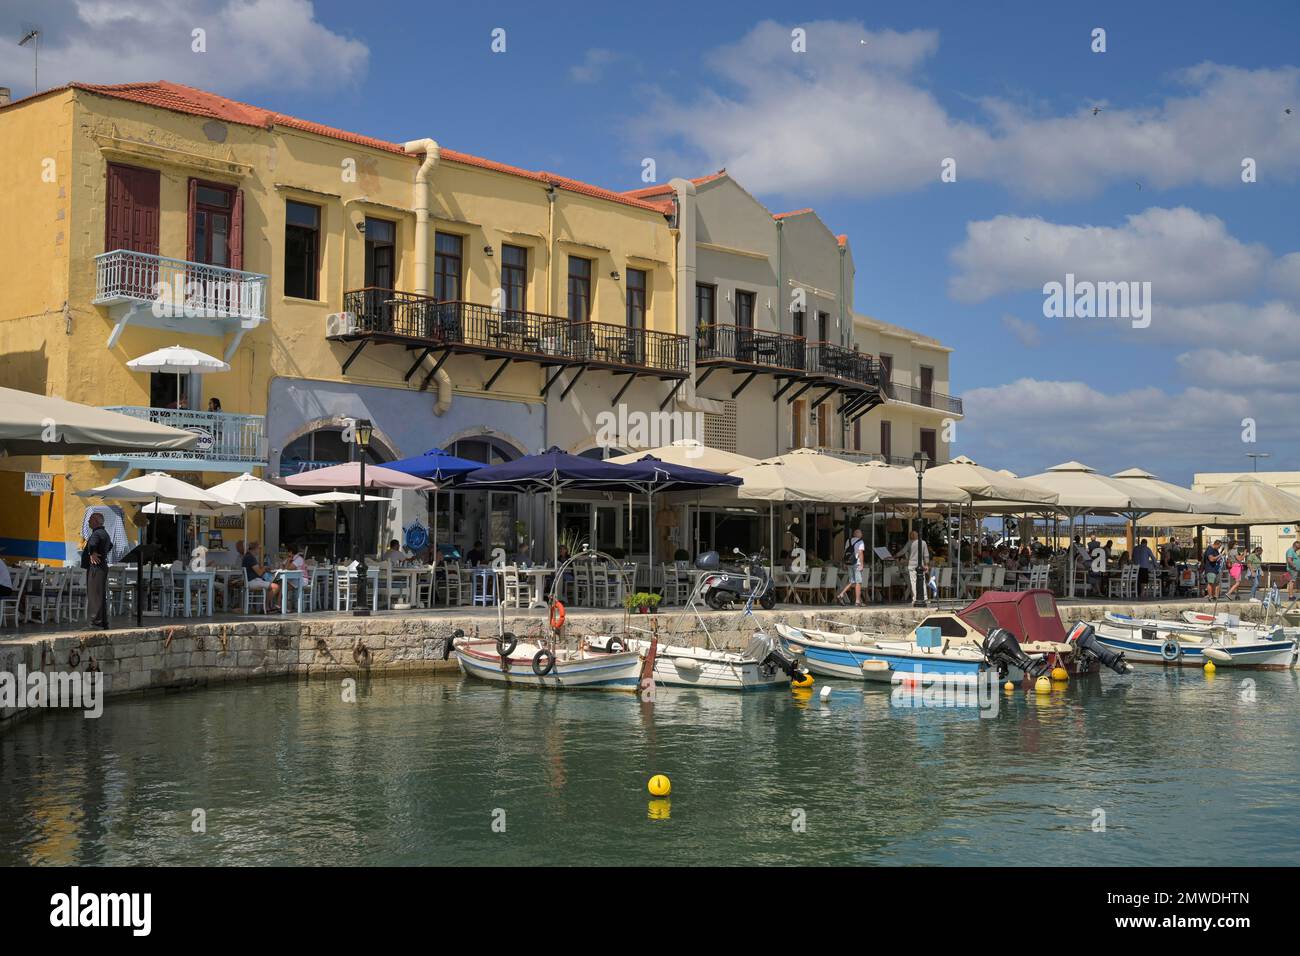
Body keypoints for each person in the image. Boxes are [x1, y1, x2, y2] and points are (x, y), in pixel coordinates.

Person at [82, 512, 113, 629]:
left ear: (96, 521)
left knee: (94, 596)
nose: (89, 521)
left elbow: (92, 544)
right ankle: (103, 622)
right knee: (100, 595)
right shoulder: (104, 533)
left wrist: (93, 552)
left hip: (95, 568)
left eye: (90, 519)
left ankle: (94, 623)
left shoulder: (96, 533)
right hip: (102, 566)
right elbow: (110, 545)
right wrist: (101, 552)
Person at [241, 542, 280, 612]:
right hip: (252, 581)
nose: (259, 551)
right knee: (276, 587)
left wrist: (263, 568)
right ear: (254, 549)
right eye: (259, 549)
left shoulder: (248, 556)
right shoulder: (250, 557)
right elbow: (259, 572)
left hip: (252, 580)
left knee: (271, 585)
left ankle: (268, 606)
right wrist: (264, 568)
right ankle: (265, 607)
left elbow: (256, 569)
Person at [896, 530, 930, 604]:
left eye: (912, 535)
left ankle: (915, 598)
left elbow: (903, 551)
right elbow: (926, 554)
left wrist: (895, 555)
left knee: (913, 582)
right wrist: (926, 564)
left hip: (912, 564)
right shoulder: (923, 542)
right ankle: (924, 597)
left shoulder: (909, 543)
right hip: (920, 564)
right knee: (922, 581)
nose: (911, 536)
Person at [836, 528, 867, 606]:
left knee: (852, 581)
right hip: (857, 564)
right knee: (858, 582)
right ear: (859, 534)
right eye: (861, 533)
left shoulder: (848, 541)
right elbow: (860, 553)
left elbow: (845, 551)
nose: (862, 534)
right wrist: (862, 564)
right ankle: (857, 601)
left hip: (849, 563)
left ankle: (841, 595)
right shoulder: (860, 542)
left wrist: (844, 563)